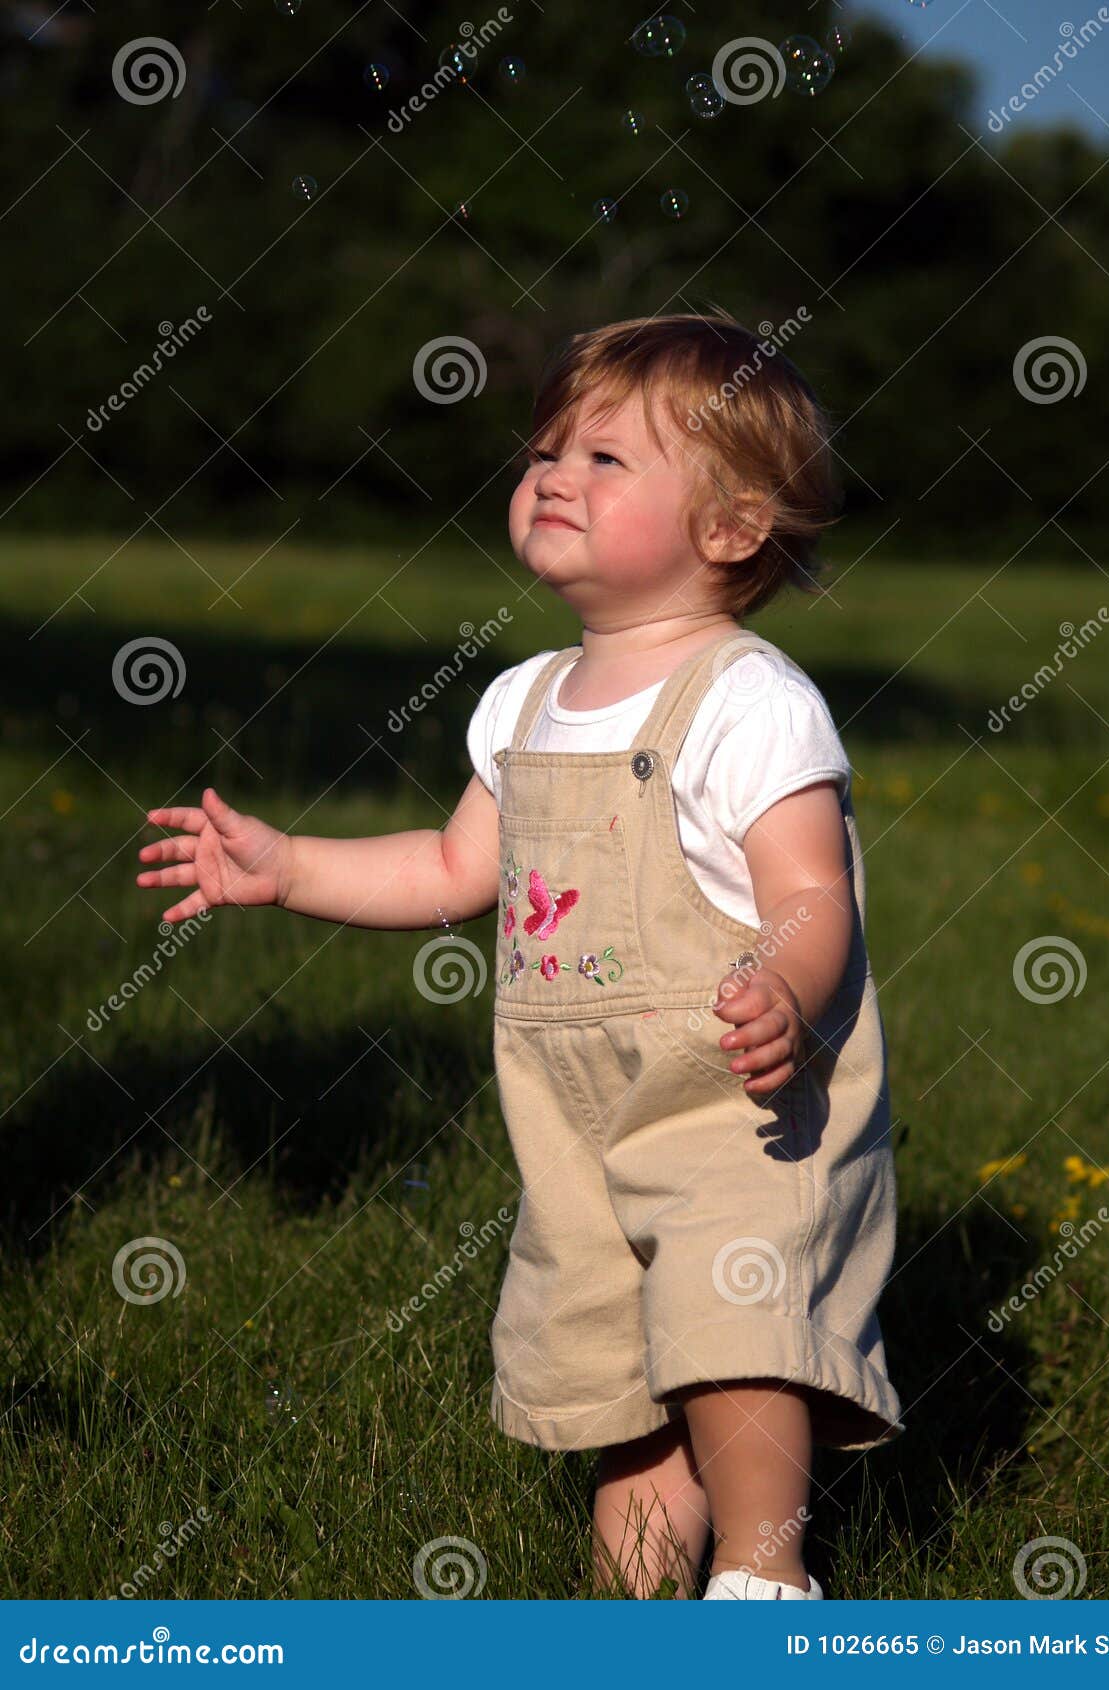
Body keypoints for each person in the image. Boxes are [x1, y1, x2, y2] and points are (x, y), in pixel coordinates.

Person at [135, 310, 904, 1601]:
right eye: (546, 448)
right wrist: (290, 869)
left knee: (725, 1327)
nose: (554, 473)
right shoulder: (526, 699)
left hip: (737, 1097)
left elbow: (813, 891)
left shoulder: (751, 698)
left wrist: (785, 983)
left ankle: (766, 1575)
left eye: (607, 459)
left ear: (730, 526)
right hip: (579, 1115)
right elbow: (450, 871)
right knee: (623, 1380)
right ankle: (627, 1624)